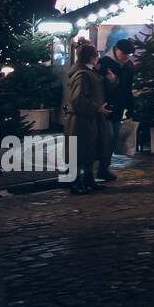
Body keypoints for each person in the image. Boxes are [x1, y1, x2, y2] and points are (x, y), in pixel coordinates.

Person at [62, 42, 108, 194]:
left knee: (88, 151)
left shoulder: (88, 72)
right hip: (81, 120)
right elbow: (78, 98)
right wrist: (96, 108)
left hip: (87, 119)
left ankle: (88, 181)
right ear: (92, 57)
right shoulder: (83, 74)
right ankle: (74, 184)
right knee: (79, 152)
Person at [97, 38, 136, 180]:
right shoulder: (105, 63)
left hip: (119, 107)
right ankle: (100, 168)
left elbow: (128, 89)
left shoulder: (128, 66)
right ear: (116, 50)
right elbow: (99, 87)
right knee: (109, 137)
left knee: (113, 139)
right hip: (105, 107)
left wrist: (130, 106)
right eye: (124, 54)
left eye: (129, 55)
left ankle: (104, 168)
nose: (126, 57)